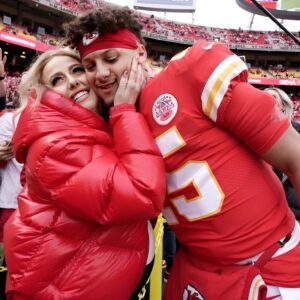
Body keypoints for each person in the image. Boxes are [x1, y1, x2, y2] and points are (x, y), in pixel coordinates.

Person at [63, 4, 300, 300]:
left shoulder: (187, 77)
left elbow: (295, 157)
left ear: (140, 52)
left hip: (268, 262)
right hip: (196, 272)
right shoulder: (111, 124)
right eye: (89, 66)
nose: (100, 73)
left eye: (111, 58)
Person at [4, 48, 166, 300]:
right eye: (57, 80)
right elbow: (141, 193)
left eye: (77, 70)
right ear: (43, 96)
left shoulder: (89, 128)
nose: (72, 81)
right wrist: (124, 110)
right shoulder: (56, 146)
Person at [265, 87, 300, 220]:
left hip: (291, 187)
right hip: (268, 189)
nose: (267, 98)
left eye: (273, 96)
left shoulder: (297, 129)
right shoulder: (253, 132)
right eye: (263, 96)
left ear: (283, 105)